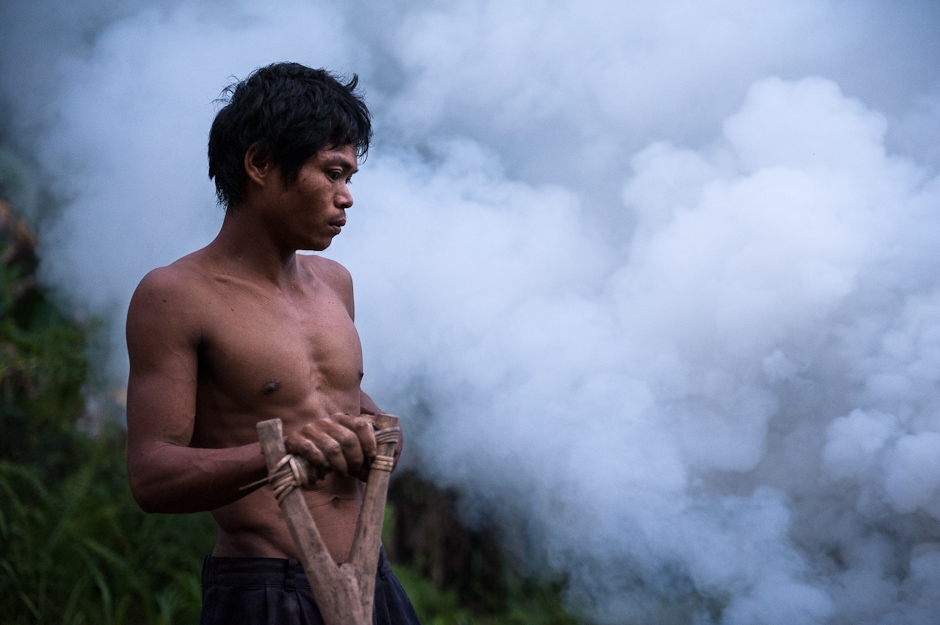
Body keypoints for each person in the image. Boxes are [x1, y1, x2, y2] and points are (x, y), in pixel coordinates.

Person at [125, 62, 420, 624]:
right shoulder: (176, 295)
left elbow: (332, 407)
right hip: (267, 590)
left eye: (350, 177)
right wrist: (278, 448)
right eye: (331, 173)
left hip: (370, 577)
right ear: (260, 164)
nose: (347, 197)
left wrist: (376, 432)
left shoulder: (335, 283)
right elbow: (151, 475)